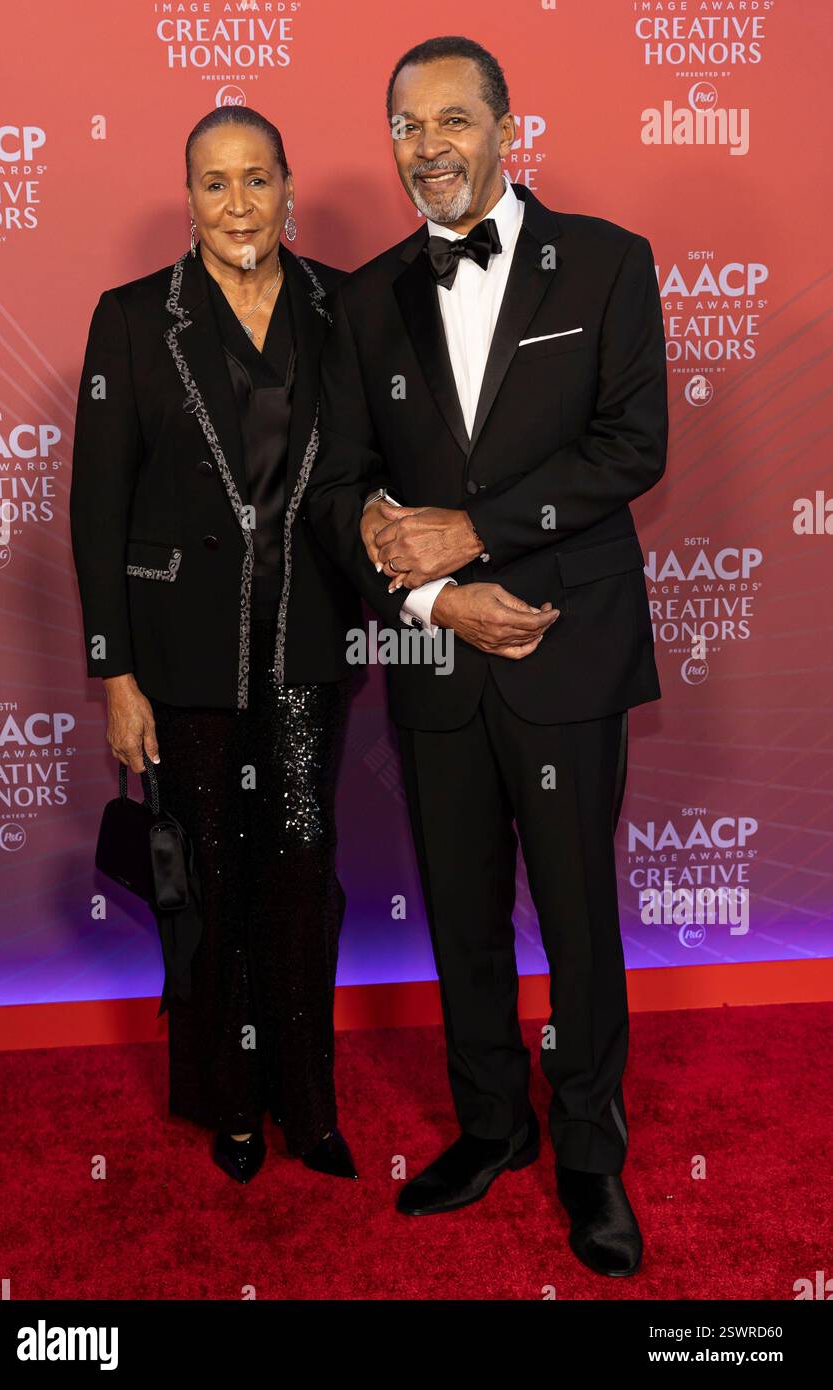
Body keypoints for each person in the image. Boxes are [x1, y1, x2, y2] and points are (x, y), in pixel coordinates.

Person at [305, 36, 668, 1274]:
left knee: (574, 917)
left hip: (567, 645)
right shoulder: (360, 300)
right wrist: (434, 600)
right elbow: (343, 487)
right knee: (460, 914)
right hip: (435, 657)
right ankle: (489, 1126)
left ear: (507, 126)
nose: (427, 148)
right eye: (405, 125)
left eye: (451, 120)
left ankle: (587, 1156)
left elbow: (631, 446)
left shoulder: (609, 263)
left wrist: (476, 535)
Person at [69, 107, 362, 1186]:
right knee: (208, 880)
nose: (237, 205)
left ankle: (308, 1100)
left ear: (288, 184)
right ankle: (229, 1101)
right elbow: (95, 511)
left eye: (255, 180)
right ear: (186, 195)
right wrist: (115, 671)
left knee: (302, 871)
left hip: (305, 648)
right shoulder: (136, 319)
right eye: (212, 183)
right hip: (181, 652)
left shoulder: (345, 305)